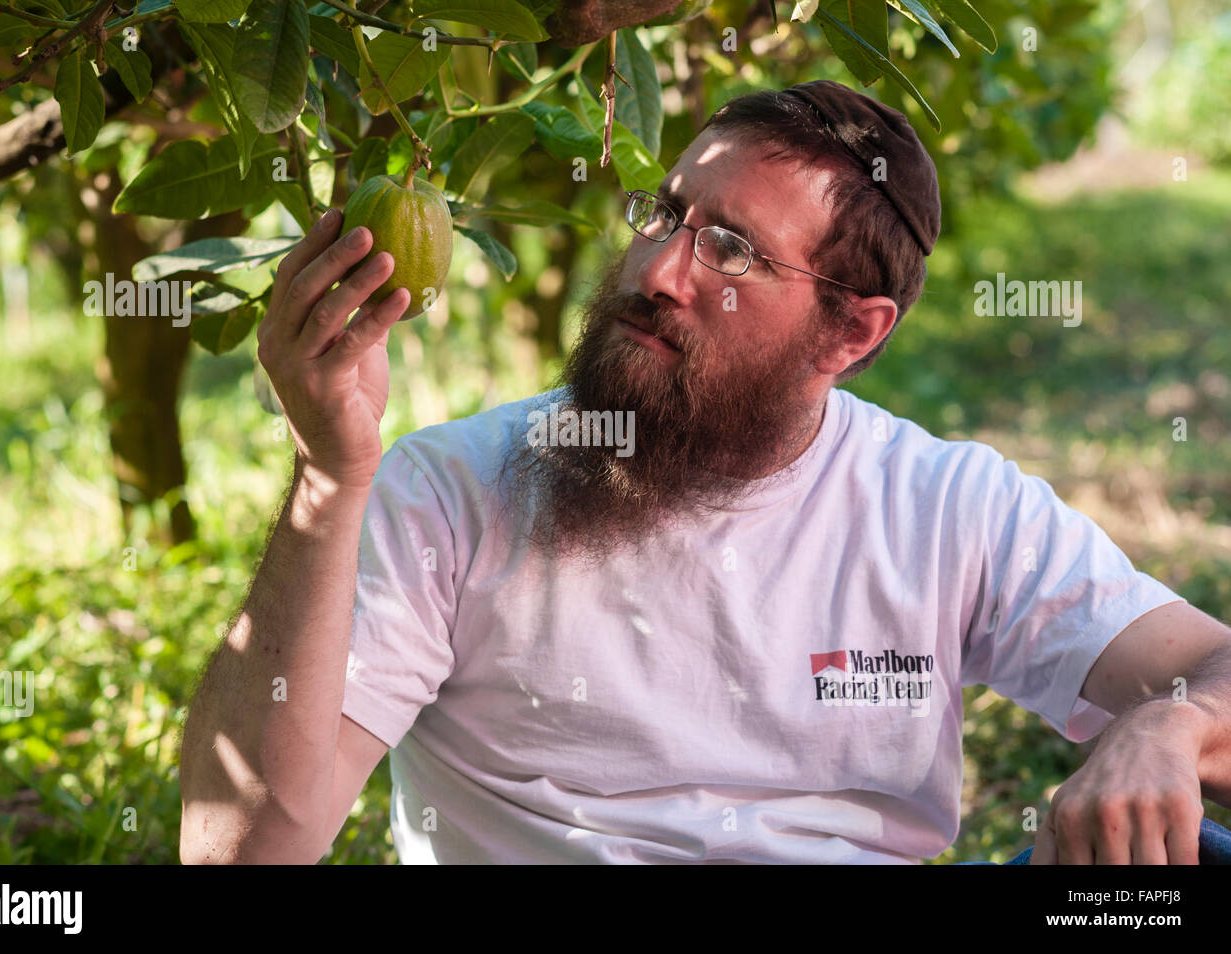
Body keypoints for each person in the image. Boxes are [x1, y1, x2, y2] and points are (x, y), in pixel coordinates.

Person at [179, 80, 1231, 865]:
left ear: (848, 336)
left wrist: (1170, 721)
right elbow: (242, 850)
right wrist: (328, 477)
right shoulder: (448, 493)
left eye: (730, 250)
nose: (657, 270)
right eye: (664, 213)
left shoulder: (947, 509)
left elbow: (1211, 669)